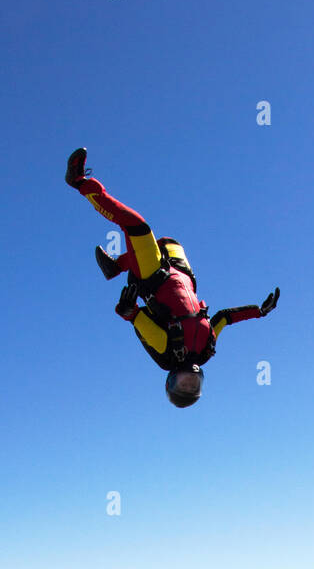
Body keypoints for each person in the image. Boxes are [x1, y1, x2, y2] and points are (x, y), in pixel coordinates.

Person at [65, 148, 280, 406]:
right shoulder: (206, 350)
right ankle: (117, 266)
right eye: (194, 386)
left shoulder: (168, 355)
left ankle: (81, 184)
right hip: (182, 275)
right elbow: (225, 318)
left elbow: (133, 316)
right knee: (168, 241)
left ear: (171, 380)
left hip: (154, 277)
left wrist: (126, 308)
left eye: (184, 385)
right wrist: (259, 311)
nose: (190, 380)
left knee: (137, 228)